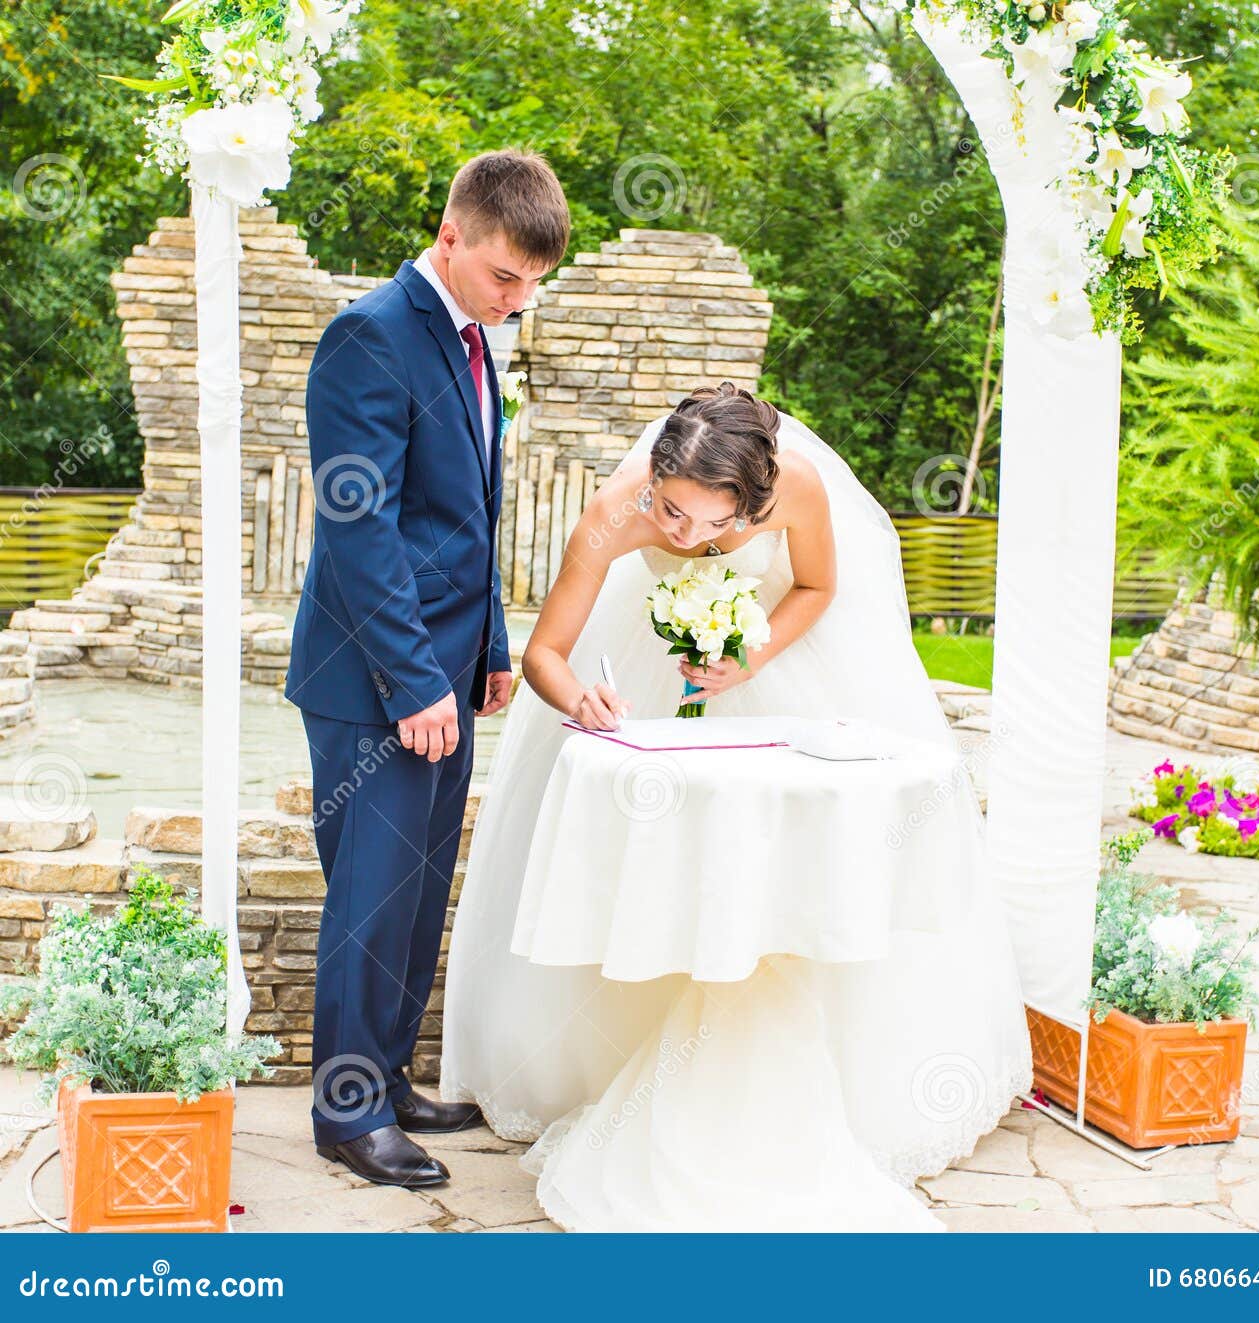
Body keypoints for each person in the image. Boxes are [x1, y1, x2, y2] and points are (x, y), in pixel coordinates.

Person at [442, 383, 1031, 1229]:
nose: (688, 539)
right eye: (674, 513)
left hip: (774, 678)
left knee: (780, 865)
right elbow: (547, 654)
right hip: (642, 686)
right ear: (660, 477)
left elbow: (817, 587)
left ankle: (789, 1075)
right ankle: (624, 1064)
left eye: (717, 525)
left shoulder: (797, 486)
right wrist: (581, 702)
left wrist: (748, 654)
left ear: (754, 499)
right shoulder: (618, 510)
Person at [285, 150, 569, 1188]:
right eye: (505, 277)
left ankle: (390, 1077)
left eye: (533, 285)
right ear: (450, 237)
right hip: (374, 681)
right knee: (369, 899)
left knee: (413, 893)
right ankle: (347, 1116)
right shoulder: (369, 335)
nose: (517, 301)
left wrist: (489, 648)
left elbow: (464, 519)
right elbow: (360, 533)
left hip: (447, 669)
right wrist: (415, 684)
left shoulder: (470, 337)